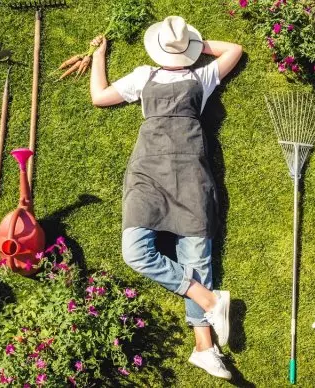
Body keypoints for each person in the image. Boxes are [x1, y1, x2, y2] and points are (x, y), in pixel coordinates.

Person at [90, 16, 243, 380]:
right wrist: (100, 55)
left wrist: (191, 48)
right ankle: (209, 300)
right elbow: (100, 98)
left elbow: (236, 50)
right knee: (135, 252)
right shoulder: (146, 76)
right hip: (149, 174)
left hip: (191, 172)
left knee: (197, 256)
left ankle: (205, 347)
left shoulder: (201, 77)